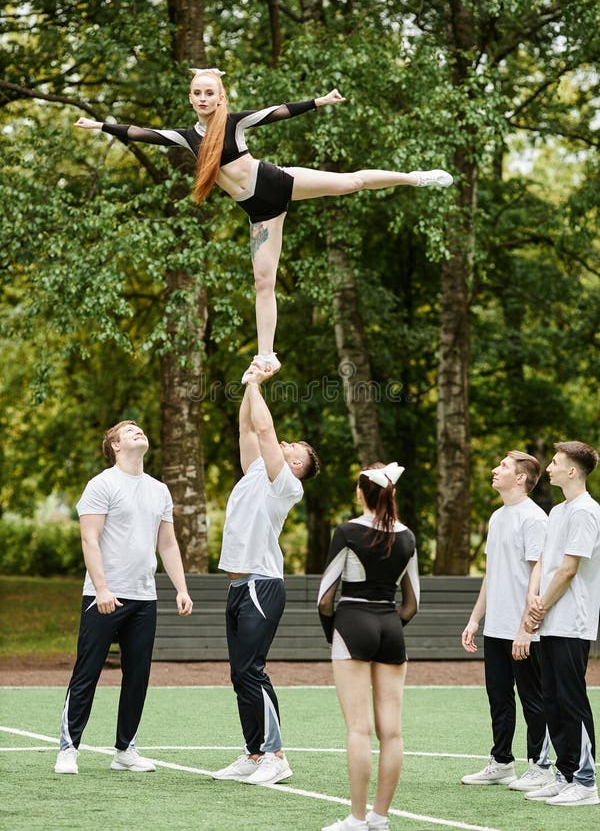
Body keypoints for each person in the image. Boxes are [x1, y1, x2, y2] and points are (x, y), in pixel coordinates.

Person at [74, 68, 453, 380]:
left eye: (210, 92)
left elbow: (277, 112)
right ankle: (267, 355)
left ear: (221, 98)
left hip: (274, 181)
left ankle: (415, 177)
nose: (203, 98)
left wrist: (319, 101)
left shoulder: (233, 124)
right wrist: (100, 125)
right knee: (263, 282)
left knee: (350, 183)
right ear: (190, 98)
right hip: (258, 210)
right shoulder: (188, 138)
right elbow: (143, 133)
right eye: (197, 93)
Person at [54, 420, 193, 775]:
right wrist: (101, 588)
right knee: (87, 671)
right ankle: (69, 749)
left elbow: (167, 542)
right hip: (104, 594)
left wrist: (181, 588)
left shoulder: (160, 490)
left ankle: (125, 750)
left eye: (140, 429)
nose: (138, 431)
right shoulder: (101, 485)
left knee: (137, 675)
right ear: (115, 446)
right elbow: (90, 539)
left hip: (144, 598)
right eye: (128, 431)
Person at [211, 360, 319, 786]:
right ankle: (254, 753)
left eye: (296, 450)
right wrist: (246, 386)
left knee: (252, 671)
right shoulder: (258, 471)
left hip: (261, 584)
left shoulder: (287, 485)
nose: (288, 445)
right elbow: (248, 431)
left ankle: (276, 755)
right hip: (239, 585)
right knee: (239, 674)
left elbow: (267, 431)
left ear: (296, 466)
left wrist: (256, 382)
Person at [317, 461, 420, 831]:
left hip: (353, 623)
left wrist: (335, 633)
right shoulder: (407, 537)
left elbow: (325, 598)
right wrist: (389, 624)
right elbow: (412, 603)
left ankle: (357, 819)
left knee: (358, 729)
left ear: (361, 493)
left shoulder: (346, 532)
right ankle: (380, 817)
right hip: (391, 628)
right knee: (391, 731)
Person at [460, 450, 552, 791]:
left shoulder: (535, 519)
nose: (494, 470)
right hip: (496, 628)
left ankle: (541, 766)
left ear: (521, 478)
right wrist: (474, 620)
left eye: (503, 467)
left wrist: (525, 629)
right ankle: (501, 762)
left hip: (524, 631)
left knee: (532, 698)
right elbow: (491, 573)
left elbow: (537, 578)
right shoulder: (497, 517)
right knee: (498, 696)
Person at [518, 440, 600, 808]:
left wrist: (539, 608)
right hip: (550, 621)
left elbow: (569, 569)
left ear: (572, 471)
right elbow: (546, 565)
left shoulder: (586, 511)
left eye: (554, 462)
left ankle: (586, 781)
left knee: (571, 699)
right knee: (551, 698)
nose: (548, 467)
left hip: (571, 621)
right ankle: (566, 774)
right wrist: (537, 607)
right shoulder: (557, 512)